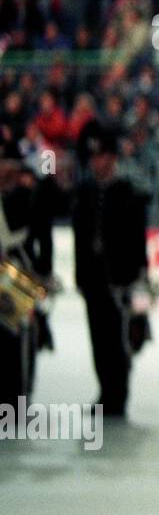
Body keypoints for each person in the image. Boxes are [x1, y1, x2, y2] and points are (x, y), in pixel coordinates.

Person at [72, 122, 148, 418]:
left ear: (112, 158)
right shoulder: (85, 192)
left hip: (121, 279)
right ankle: (105, 390)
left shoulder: (128, 193)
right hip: (93, 279)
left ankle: (118, 394)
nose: (96, 162)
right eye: (93, 157)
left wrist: (138, 278)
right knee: (98, 339)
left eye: (101, 156)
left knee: (120, 340)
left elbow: (137, 240)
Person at [0, 146, 55, 410]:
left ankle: (17, 401)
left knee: (19, 340)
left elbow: (41, 236)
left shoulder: (27, 197)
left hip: (19, 276)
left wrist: (44, 273)